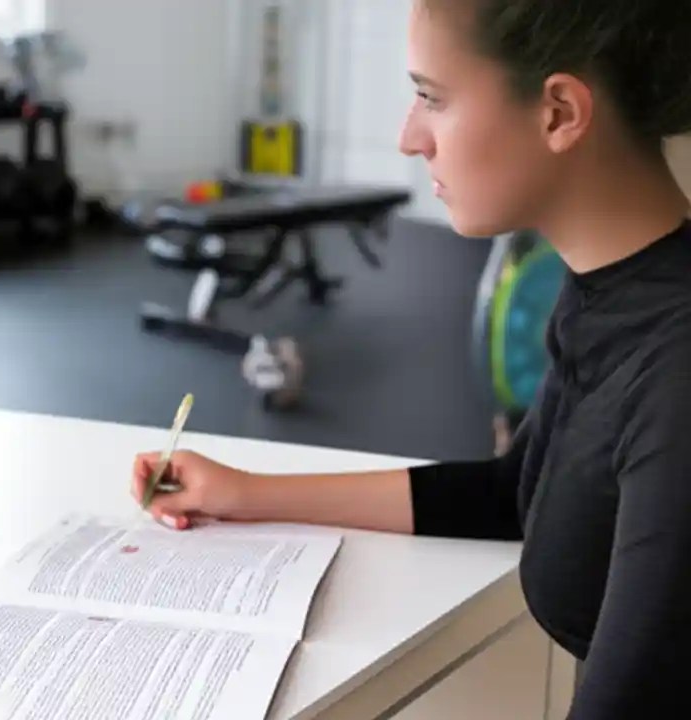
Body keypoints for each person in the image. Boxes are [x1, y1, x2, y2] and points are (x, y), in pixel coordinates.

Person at [132, 1, 691, 717]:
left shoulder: (677, 371)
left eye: (432, 97)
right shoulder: (608, 292)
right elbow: (513, 492)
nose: (408, 137)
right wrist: (243, 493)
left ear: (558, 113)